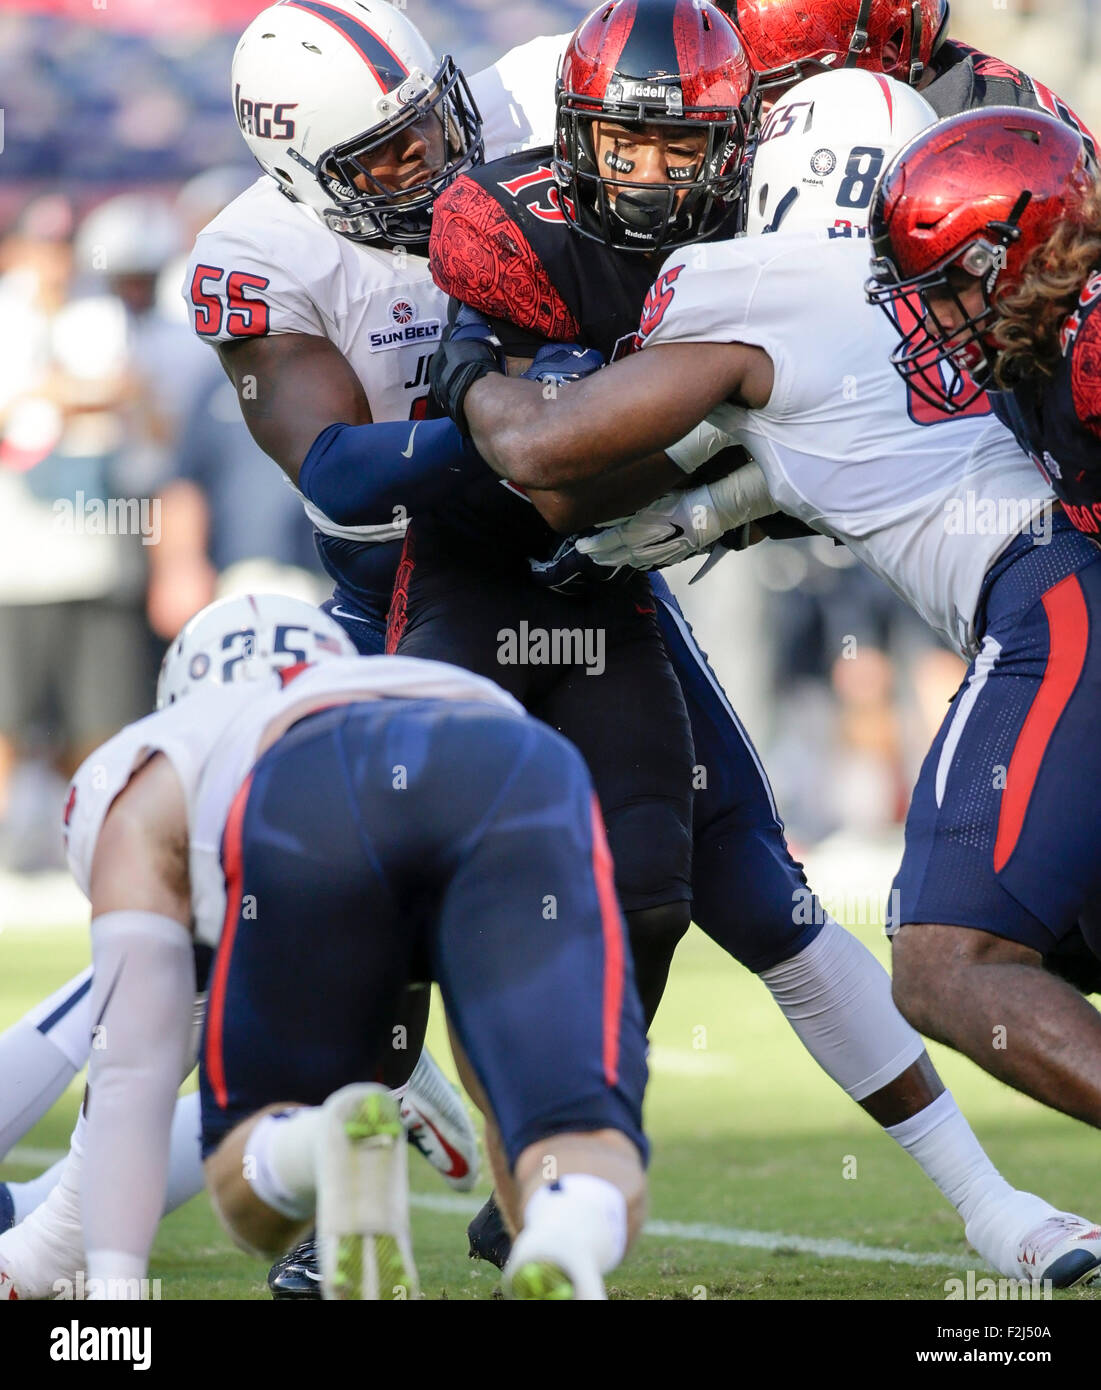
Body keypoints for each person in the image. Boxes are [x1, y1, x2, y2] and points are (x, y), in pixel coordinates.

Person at [427, 65, 1101, 1290]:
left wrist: (471, 363)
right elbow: (860, 437)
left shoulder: (746, 280)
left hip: (1050, 603)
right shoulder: (955, 285)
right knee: (1050, 943)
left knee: (951, 958)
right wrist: (743, 499)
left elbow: (550, 464)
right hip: (1052, 578)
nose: (927, 306)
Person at [0, 0, 566, 1298]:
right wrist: (536, 429)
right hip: (395, 591)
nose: (426, 170)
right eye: (384, 158)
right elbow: (338, 471)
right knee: (258, 954)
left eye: (430, 132)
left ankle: (364, 1159)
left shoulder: (533, 99)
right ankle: (348, 1156)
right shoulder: (254, 255)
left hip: (507, 585)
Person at [2, 593, 648, 1301]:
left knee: (244, 1178)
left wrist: (115, 1294)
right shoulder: (414, 684)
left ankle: (321, 1141)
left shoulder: (154, 764)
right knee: (563, 1128)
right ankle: (562, 1236)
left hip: (311, 798)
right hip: (519, 762)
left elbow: (130, 1071)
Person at [864, 103, 1101, 1079]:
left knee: (958, 950)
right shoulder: (1043, 344)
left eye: (946, 288)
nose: (927, 317)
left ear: (1019, 254)